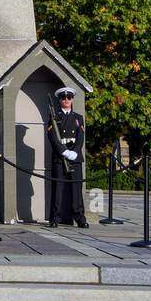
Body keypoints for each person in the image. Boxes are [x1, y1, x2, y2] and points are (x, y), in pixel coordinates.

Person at [46, 86, 88, 228]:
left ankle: (80, 218)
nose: (66, 100)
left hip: (74, 158)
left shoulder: (78, 118)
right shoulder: (54, 117)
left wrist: (75, 152)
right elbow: (52, 137)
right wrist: (64, 151)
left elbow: (80, 137)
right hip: (60, 158)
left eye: (69, 98)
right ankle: (54, 218)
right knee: (57, 189)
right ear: (60, 100)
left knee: (76, 190)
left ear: (72, 99)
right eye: (63, 98)